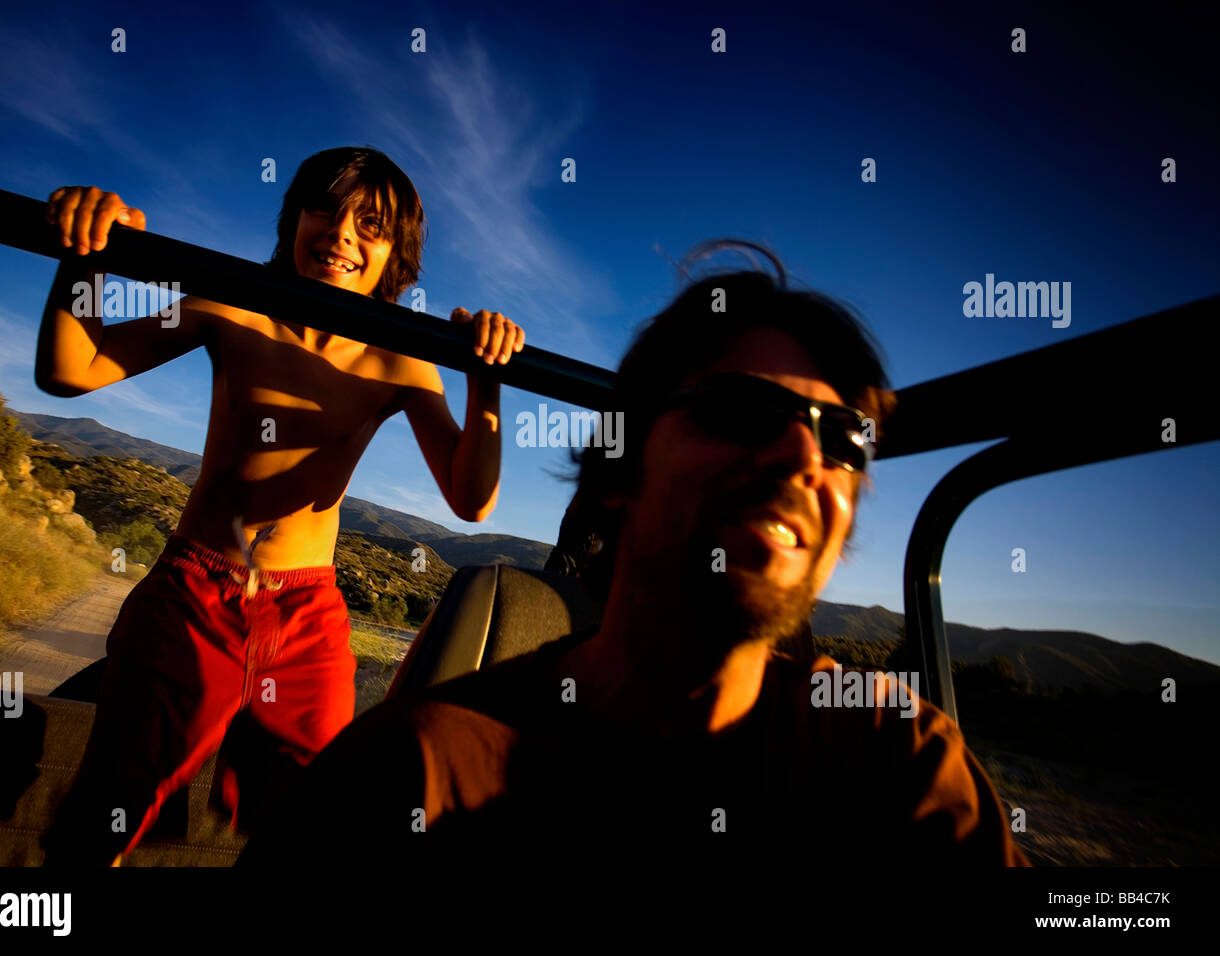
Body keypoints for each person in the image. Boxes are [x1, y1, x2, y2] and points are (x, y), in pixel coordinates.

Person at [239, 241, 1029, 869]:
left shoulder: (898, 755)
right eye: (743, 409)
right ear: (619, 469)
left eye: (846, 438)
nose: (803, 456)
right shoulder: (407, 779)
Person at [36, 147, 525, 864]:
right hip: (193, 596)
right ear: (293, 217)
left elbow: (469, 500)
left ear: (397, 254)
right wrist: (85, 257)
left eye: (371, 224)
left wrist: (488, 384)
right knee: (112, 806)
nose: (341, 233)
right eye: (324, 209)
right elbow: (70, 371)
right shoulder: (233, 302)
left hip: (307, 619)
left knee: (313, 826)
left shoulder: (401, 357)